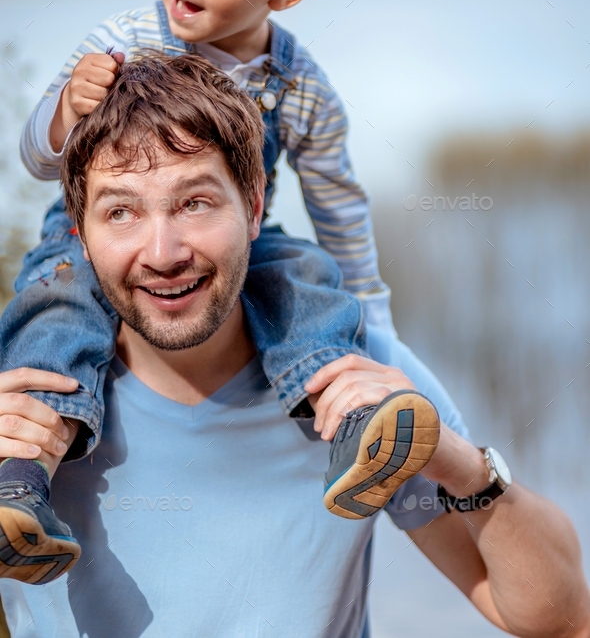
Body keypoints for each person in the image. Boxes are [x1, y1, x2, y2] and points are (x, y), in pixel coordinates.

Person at [0, 54, 588, 638]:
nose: (163, 252)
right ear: (79, 231)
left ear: (253, 208)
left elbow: (556, 619)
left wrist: (459, 464)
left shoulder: (362, 377)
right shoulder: (18, 397)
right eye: (121, 211)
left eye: (195, 203)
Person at [0, 0, 434, 568]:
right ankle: (21, 479)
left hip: (236, 234)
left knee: (302, 278)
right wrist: (67, 113)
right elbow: (40, 160)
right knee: (58, 304)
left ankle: (353, 419)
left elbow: (339, 205)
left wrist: (376, 325)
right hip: (91, 231)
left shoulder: (300, 88)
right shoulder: (121, 41)